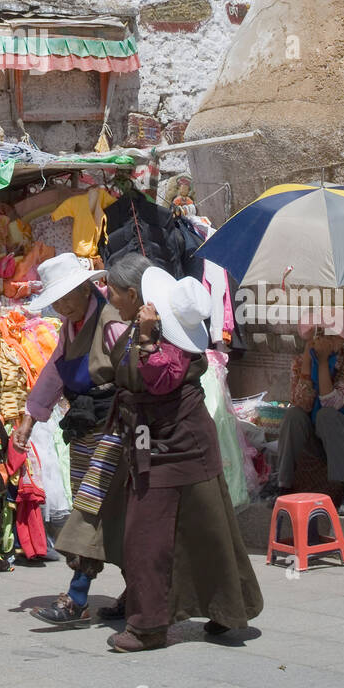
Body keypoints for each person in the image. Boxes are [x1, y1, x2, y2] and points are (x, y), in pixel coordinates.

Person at [103, 253, 263, 653]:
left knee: (166, 534)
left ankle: (150, 627)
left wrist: (146, 338)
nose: (110, 296)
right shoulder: (142, 327)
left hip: (180, 443)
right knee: (183, 531)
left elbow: (160, 380)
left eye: (115, 290)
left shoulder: (164, 338)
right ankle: (219, 610)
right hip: (152, 439)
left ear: (132, 292)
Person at [11, 253, 121, 627]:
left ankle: (76, 598)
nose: (58, 307)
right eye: (54, 300)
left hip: (114, 427)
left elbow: (133, 369)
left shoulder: (111, 322)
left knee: (90, 509)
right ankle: (138, 589)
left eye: (63, 298)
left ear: (84, 288)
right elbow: (53, 374)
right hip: (84, 426)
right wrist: (29, 419)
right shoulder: (70, 327)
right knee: (97, 508)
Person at [275, 308, 344, 516]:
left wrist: (321, 363)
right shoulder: (300, 362)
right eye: (320, 335)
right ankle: (283, 483)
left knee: (326, 415)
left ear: (340, 340)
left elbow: (330, 403)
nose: (324, 341)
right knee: (293, 415)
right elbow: (301, 403)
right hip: (317, 429)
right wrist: (307, 365)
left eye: (330, 336)